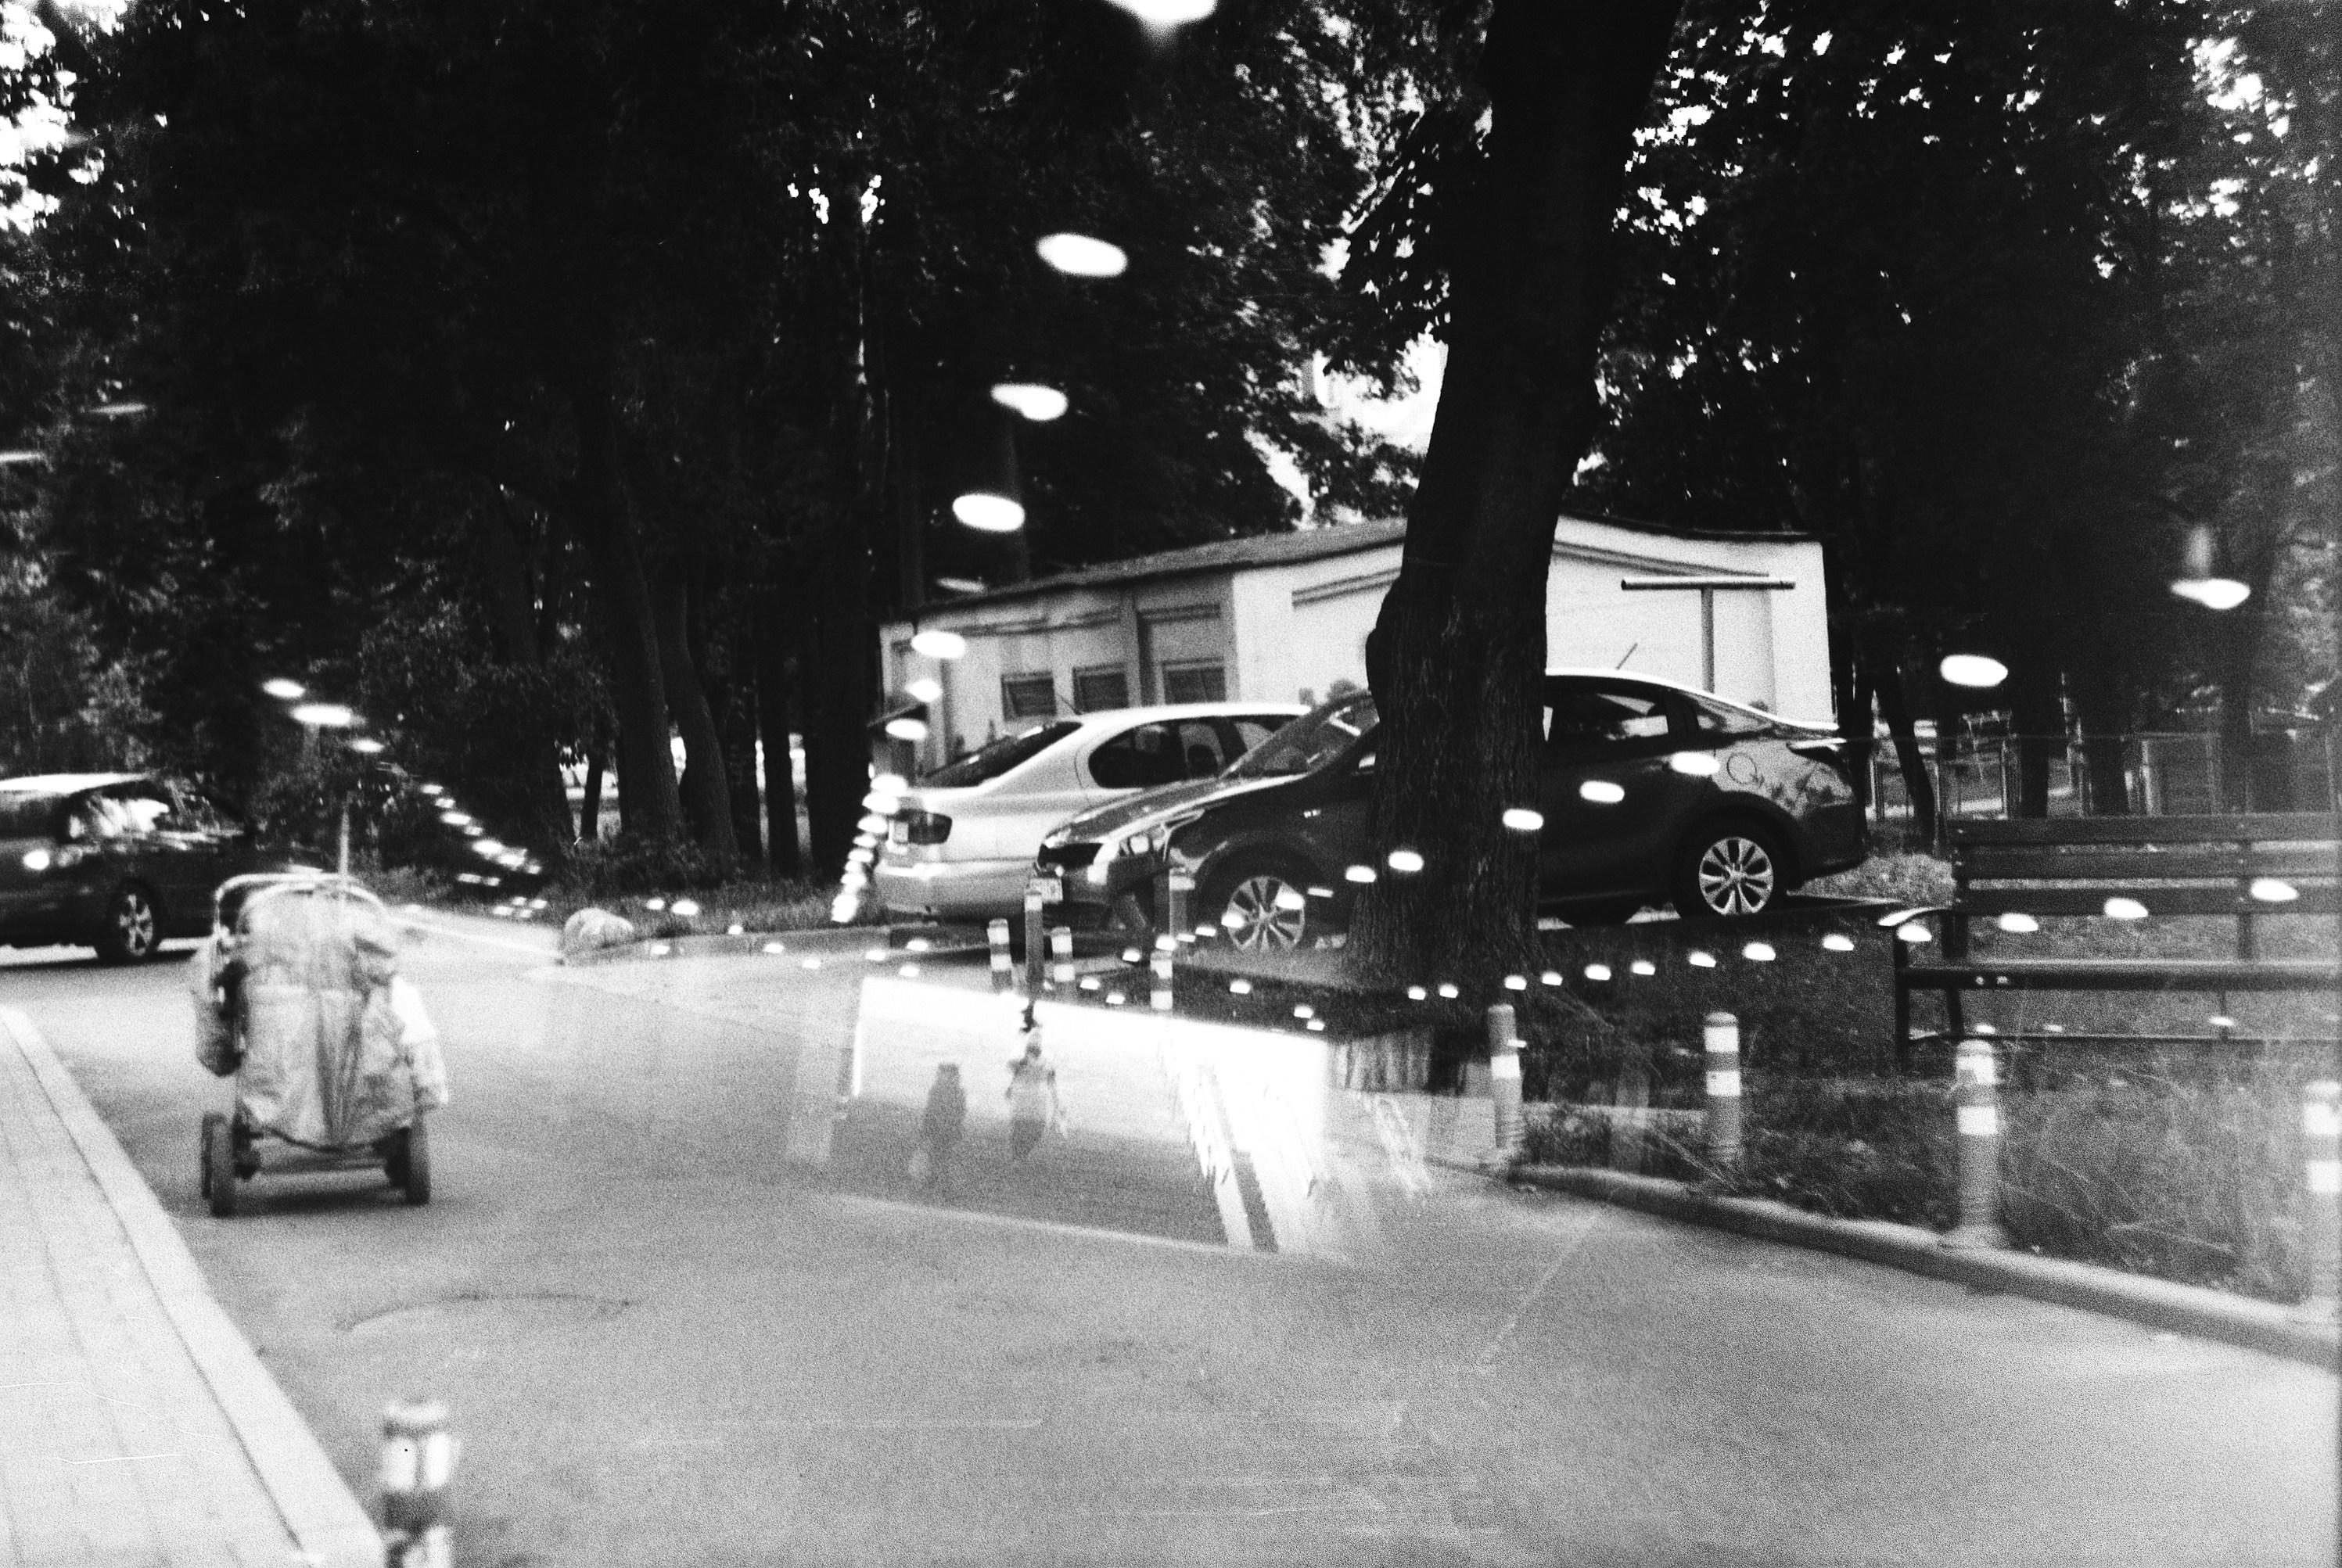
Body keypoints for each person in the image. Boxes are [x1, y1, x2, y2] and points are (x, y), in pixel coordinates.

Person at [1004, 1019, 1063, 1164]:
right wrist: (1012, 1085)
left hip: (1039, 1096)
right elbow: (1012, 1068)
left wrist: (1056, 1102)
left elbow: (1051, 1079)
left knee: (1038, 1128)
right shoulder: (1019, 1054)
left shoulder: (1047, 1057)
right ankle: (1017, 1156)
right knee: (1019, 1126)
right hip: (1021, 1094)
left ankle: (1022, 1155)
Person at [916, 1063, 967, 1199]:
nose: (944, 1077)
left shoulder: (953, 1092)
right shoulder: (941, 1091)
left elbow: (959, 1114)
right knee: (937, 1158)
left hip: (946, 1131)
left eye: (947, 1075)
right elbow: (930, 1111)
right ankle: (938, 1184)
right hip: (939, 1130)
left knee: (942, 1159)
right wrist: (926, 1130)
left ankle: (938, 1184)